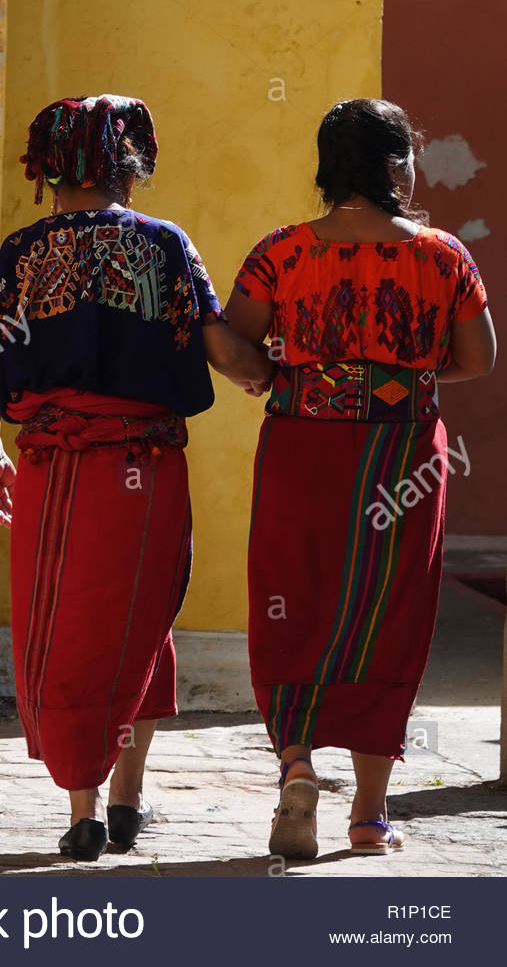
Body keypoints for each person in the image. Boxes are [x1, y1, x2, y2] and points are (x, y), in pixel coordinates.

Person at [0, 94, 271, 861]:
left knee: (66, 623)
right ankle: (129, 800)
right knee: (140, 616)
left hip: (50, 463)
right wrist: (270, 375)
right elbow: (224, 351)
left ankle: (86, 808)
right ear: (129, 164)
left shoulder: (23, 251)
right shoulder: (165, 245)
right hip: (143, 467)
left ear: (47, 170)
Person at [225, 98, 496, 859]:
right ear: (397, 167)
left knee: (291, 601)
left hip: (299, 448)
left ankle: (296, 767)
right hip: (400, 453)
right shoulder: (443, 256)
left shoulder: (279, 252)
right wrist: (396, 378)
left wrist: (274, 375)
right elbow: (478, 360)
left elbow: (233, 343)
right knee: (388, 613)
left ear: (325, 168)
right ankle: (370, 816)